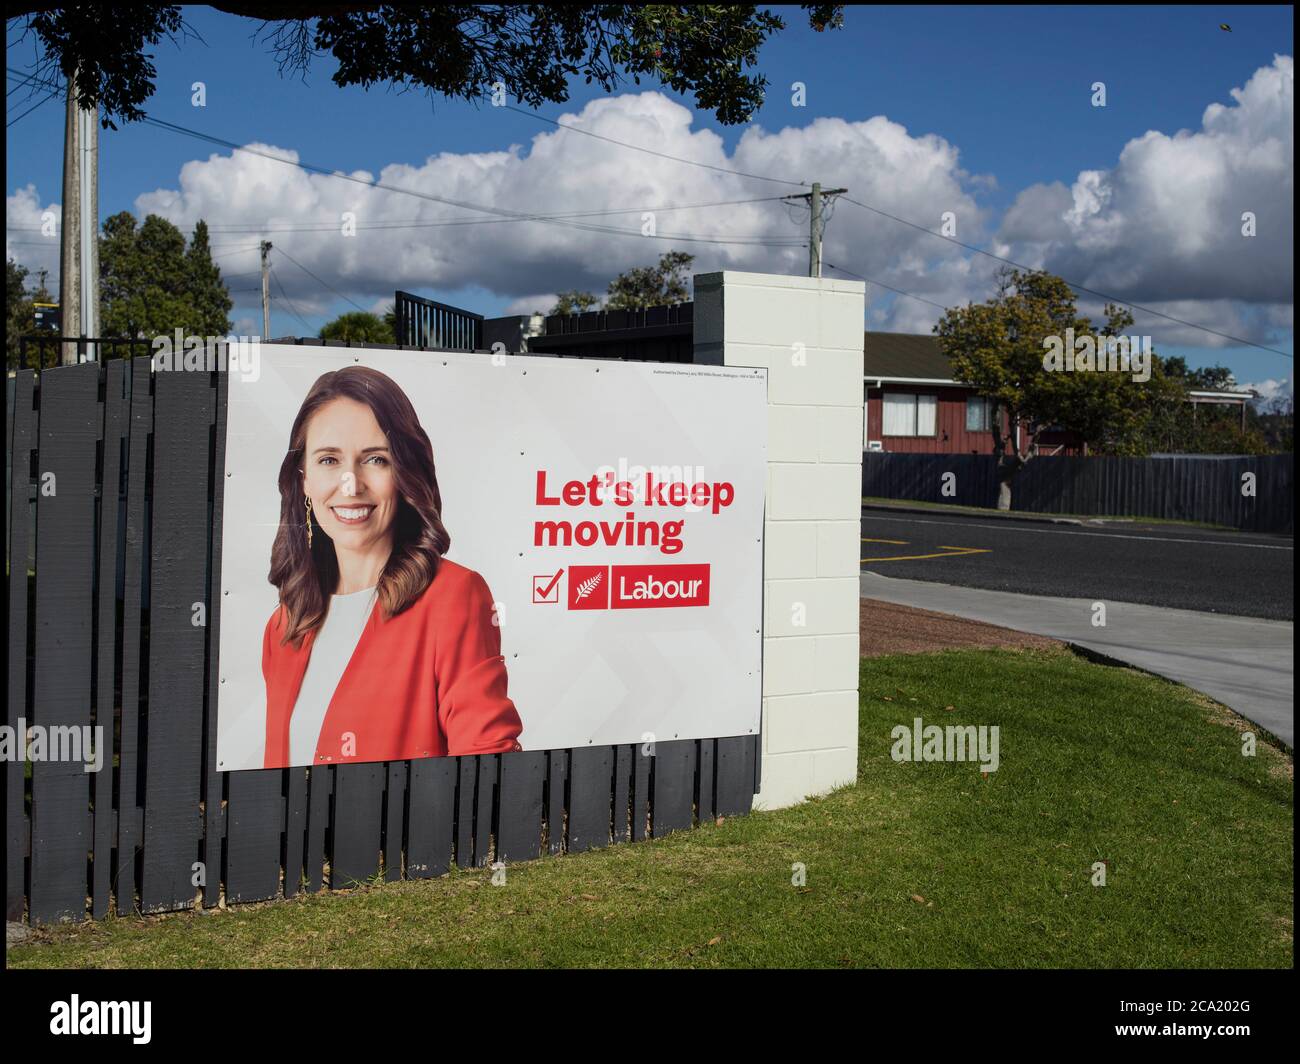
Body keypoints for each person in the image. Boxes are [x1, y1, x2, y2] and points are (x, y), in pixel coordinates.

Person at [261, 365, 523, 768]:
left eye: (376, 460)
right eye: (329, 459)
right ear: (304, 481)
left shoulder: (453, 597)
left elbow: (487, 768)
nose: (351, 484)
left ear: (404, 474)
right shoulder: (284, 626)